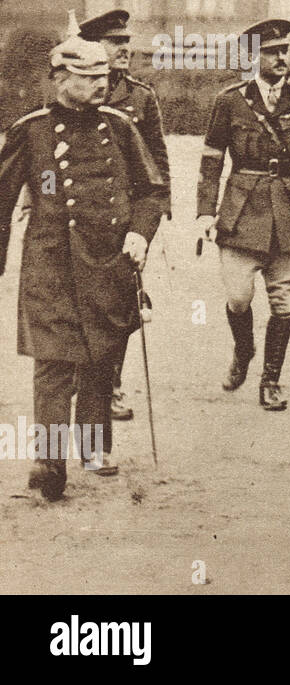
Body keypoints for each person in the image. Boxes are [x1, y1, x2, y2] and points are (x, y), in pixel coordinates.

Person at [0, 36, 168, 499]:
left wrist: (140, 232)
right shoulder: (30, 130)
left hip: (110, 257)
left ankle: (93, 446)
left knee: (101, 354)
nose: (102, 84)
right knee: (53, 363)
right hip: (50, 263)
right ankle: (49, 464)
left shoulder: (119, 126)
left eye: (105, 76)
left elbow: (153, 190)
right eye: (89, 77)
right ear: (60, 79)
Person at [197, 20, 290, 412]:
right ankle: (244, 351)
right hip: (241, 211)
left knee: (283, 301)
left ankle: (271, 380)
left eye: (284, 51)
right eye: (271, 52)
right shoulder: (230, 101)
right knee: (239, 298)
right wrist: (204, 213)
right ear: (251, 57)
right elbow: (212, 160)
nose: (280, 59)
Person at [78, 8, 172, 423]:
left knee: (123, 304)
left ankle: (110, 384)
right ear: (95, 46)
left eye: (126, 43)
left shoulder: (141, 96)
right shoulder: (71, 89)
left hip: (127, 218)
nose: (125, 50)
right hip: (82, 217)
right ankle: (86, 382)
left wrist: (156, 214)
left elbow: (158, 158)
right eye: (115, 43)